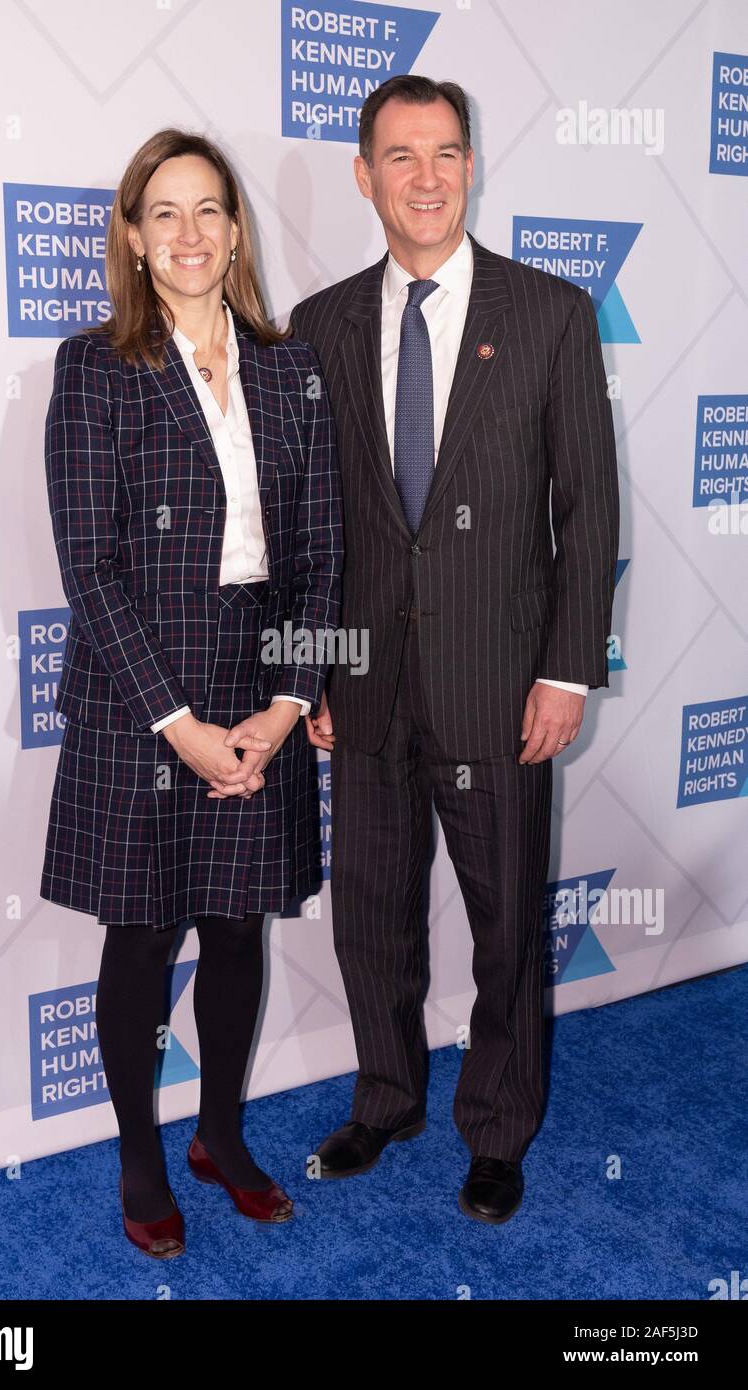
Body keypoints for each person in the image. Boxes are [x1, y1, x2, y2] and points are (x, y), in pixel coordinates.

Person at [290, 75, 619, 1224]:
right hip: (366, 691)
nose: (423, 177)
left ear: (469, 165)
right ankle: (384, 1098)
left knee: (505, 926)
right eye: (398, 156)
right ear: (362, 174)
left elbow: (586, 510)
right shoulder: (320, 324)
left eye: (443, 153)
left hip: (501, 688)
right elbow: (311, 521)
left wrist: (566, 668)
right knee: (369, 914)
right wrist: (313, 670)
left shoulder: (548, 314)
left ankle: (496, 1126)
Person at [39, 129, 342, 1257]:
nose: (188, 234)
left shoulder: (287, 364)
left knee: (235, 926)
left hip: (257, 683)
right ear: (130, 234)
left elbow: (320, 547)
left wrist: (281, 700)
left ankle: (219, 1133)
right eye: (162, 213)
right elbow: (90, 566)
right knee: (143, 934)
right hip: (142, 696)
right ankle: (140, 1155)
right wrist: (182, 725)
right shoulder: (94, 366)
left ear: (234, 227)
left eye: (208, 210)